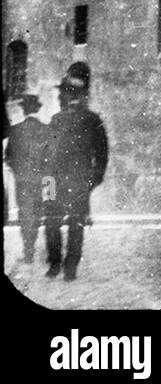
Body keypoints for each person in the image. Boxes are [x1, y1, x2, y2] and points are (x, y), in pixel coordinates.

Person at [43, 71, 109, 280]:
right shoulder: (90, 119)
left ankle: (56, 265)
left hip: (59, 180)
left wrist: (47, 184)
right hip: (77, 181)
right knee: (75, 224)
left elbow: (47, 156)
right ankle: (69, 268)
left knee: (54, 222)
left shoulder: (60, 120)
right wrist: (94, 179)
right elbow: (102, 154)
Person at [5, 94, 47, 262]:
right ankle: (34, 243)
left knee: (24, 213)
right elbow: (51, 157)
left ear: (23, 110)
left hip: (22, 180)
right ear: (37, 109)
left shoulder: (15, 131)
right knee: (38, 212)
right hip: (42, 180)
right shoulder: (46, 129)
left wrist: (18, 171)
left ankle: (28, 250)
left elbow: (8, 157)